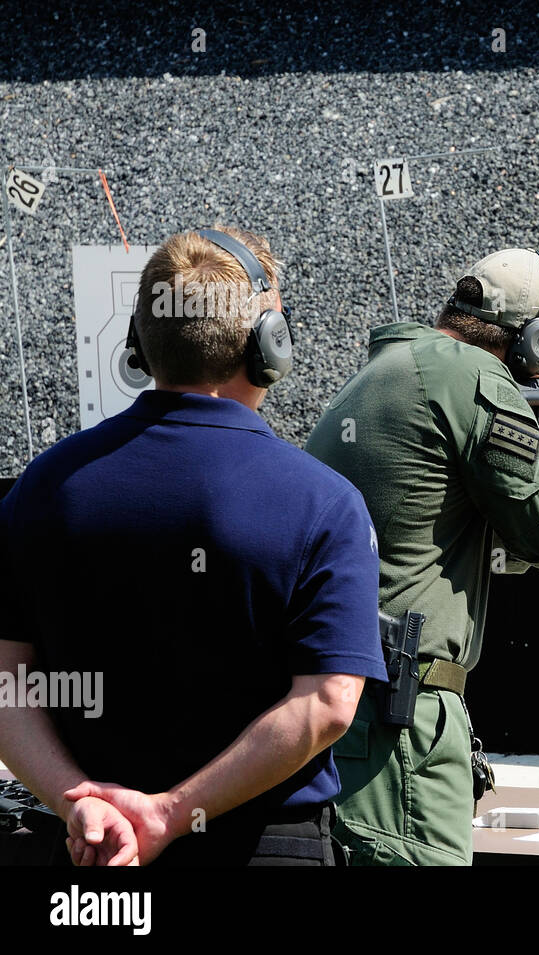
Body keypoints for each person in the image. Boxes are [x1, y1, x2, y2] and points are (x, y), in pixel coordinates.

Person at [0, 226, 388, 866]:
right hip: (264, 848)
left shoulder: (41, 488)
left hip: (89, 850)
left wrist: (78, 802)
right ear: (268, 346)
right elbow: (326, 704)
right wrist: (171, 815)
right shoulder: (323, 501)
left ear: (139, 342)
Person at [305, 248, 539, 865]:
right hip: (400, 716)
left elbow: (531, 542)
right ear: (533, 339)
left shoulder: (399, 366)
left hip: (362, 703)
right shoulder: (475, 380)